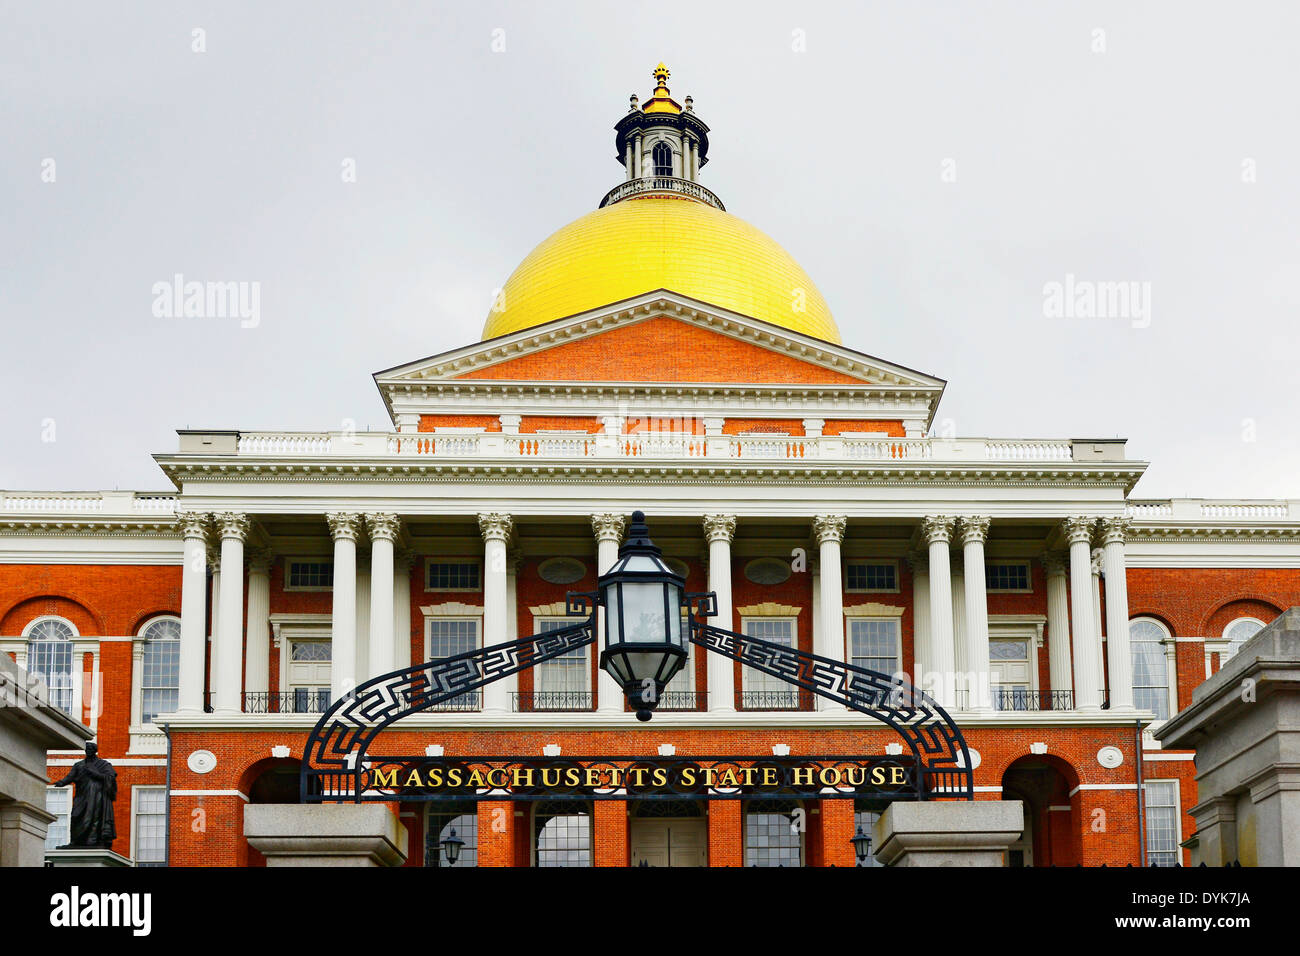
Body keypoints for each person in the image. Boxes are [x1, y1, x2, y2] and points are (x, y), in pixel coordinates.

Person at [52, 741, 117, 848]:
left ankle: (92, 840)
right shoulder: (79, 765)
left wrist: (95, 774)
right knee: (76, 815)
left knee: (94, 817)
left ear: (95, 751)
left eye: (91, 750)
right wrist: (62, 782)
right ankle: (75, 841)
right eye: (87, 750)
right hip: (82, 795)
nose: (88, 751)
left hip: (97, 796)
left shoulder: (103, 764)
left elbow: (110, 777)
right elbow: (70, 777)